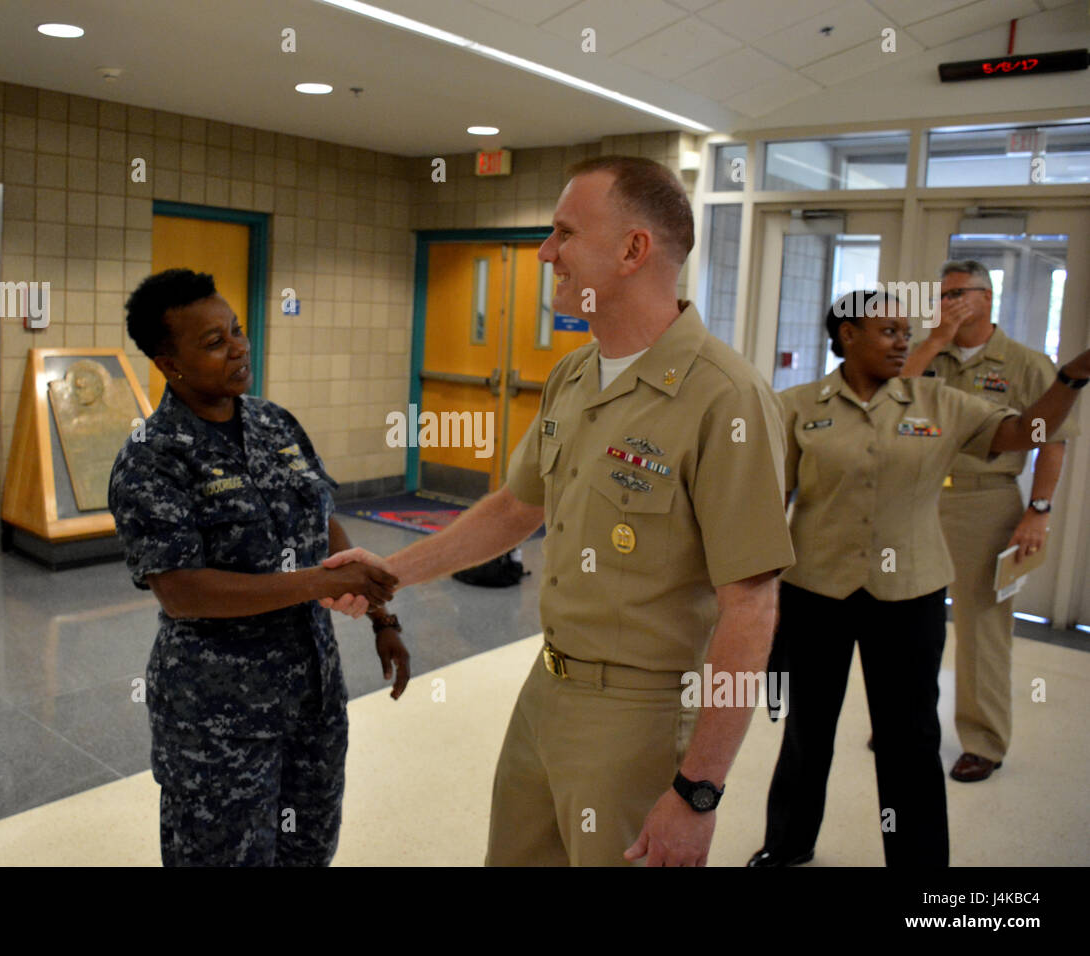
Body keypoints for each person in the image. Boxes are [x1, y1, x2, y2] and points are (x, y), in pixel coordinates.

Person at [324, 156, 797, 866]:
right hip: (548, 686)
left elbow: (752, 609)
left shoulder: (726, 399)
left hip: (643, 713)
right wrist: (388, 572)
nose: (546, 252)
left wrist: (699, 789)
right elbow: (515, 507)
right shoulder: (576, 374)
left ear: (634, 250)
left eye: (563, 233)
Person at [749, 290, 1090, 867]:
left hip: (909, 595)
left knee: (909, 739)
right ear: (848, 334)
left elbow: (1028, 433)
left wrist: (1072, 378)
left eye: (907, 332)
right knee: (808, 731)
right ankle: (787, 845)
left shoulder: (940, 403)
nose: (904, 340)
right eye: (888, 331)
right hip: (816, 593)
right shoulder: (797, 406)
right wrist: (760, 591)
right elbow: (771, 501)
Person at [108, 268, 410, 867]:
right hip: (219, 722)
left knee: (308, 852)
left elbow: (323, 521)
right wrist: (323, 583)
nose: (239, 348)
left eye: (237, 331)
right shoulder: (153, 457)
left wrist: (382, 617)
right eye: (214, 342)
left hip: (313, 699)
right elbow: (184, 592)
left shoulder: (275, 424)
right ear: (170, 365)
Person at [900, 260, 1076, 783]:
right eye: (941, 295)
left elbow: (1052, 442)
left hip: (985, 502)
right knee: (910, 621)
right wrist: (934, 342)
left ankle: (984, 740)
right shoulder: (931, 356)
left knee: (983, 627)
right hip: (920, 500)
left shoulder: (1026, 364)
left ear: (987, 296)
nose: (947, 304)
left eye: (958, 294)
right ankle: (907, 722)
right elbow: (889, 399)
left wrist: (1038, 511)